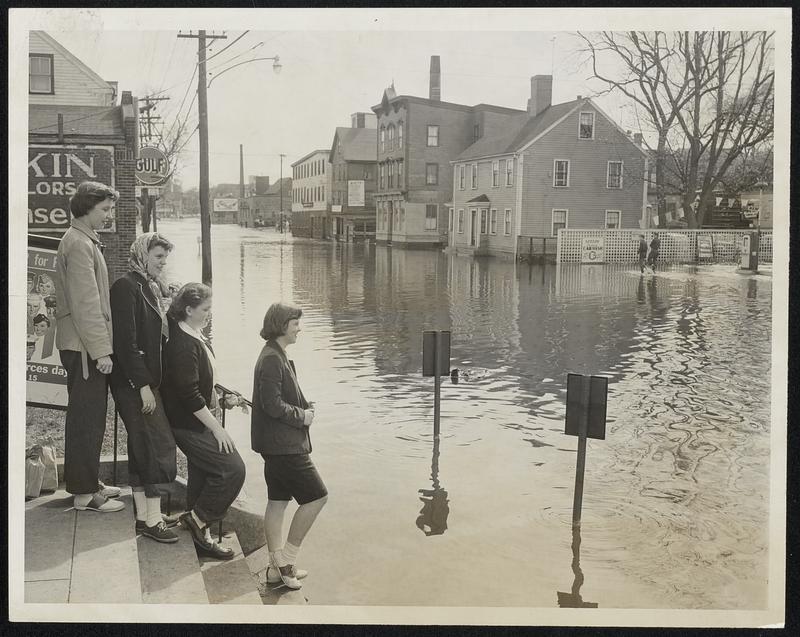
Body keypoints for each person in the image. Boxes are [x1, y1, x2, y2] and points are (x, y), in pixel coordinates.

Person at [161, 283, 246, 560]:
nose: (210, 314)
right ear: (188, 309)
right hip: (187, 423)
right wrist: (217, 428)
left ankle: (201, 536)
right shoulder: (182, 344)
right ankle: (198, 521)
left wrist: (222, 395)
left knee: (202, 472)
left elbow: (201, 381)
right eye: (205, 309)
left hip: (194, 417)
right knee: (233, 469)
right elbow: (188, 394)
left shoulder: (193, 333)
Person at [54, 181, 123, 513]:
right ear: (86, 208)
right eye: (105, 210)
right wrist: (101, 351)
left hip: (82, 345)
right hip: (84, 349)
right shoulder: (80, 245)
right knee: (86, 419)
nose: (108, 216)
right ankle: (83, 494)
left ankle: (88, 481)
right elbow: (86, 305)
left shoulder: (81, 240)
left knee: (90, 417)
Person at [251, 303, 327, 590]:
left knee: (278, 502)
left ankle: (274, 568)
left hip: (275, 445)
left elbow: (277, 397)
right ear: (282, 325)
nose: (299, 329)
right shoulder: (272, 358)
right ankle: (287, 562)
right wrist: (302, 416)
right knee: (317, 497)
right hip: (284, 446)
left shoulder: (274, 353)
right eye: (295, 323)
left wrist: (305, 405)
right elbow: (271, 404)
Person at [110, 233, 179, 543]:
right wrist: (142, 386)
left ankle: (144, 516)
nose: (163, 263)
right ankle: (152, 520)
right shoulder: (126, 286)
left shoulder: (148, 286)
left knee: (142, 446)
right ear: (142, 254)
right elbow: (125, 343)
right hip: (133, 383)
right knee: (155, 445)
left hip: (144, 382)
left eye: (165, 258)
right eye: (158, 257)